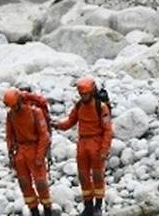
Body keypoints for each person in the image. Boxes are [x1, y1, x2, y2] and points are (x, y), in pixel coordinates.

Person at [55, 77, 112, 216]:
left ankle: (98, 206)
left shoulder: (101, 107)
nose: (83, 96)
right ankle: (88, 206)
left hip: (96, 143)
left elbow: (108, 130)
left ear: (91, 92)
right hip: (82, 144)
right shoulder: (79, 106)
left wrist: (104, 149)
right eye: (81, 94)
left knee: (97, 175)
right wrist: (57, 125)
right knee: (83, 176)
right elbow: (70, 121)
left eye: (85, 94)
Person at [4, 88, 52, 216]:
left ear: (20, 101)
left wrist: (40, 155)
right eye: (10, 107)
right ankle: (34, 211)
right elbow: (9, 135)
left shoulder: (35, 113)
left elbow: (44, 136)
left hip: (34, 149)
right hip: (20, 151)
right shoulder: (11, 115)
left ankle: (48, 210)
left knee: (41, 183)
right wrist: (11, 153)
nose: (13, 109)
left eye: (14, 106)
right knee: (24, 183)